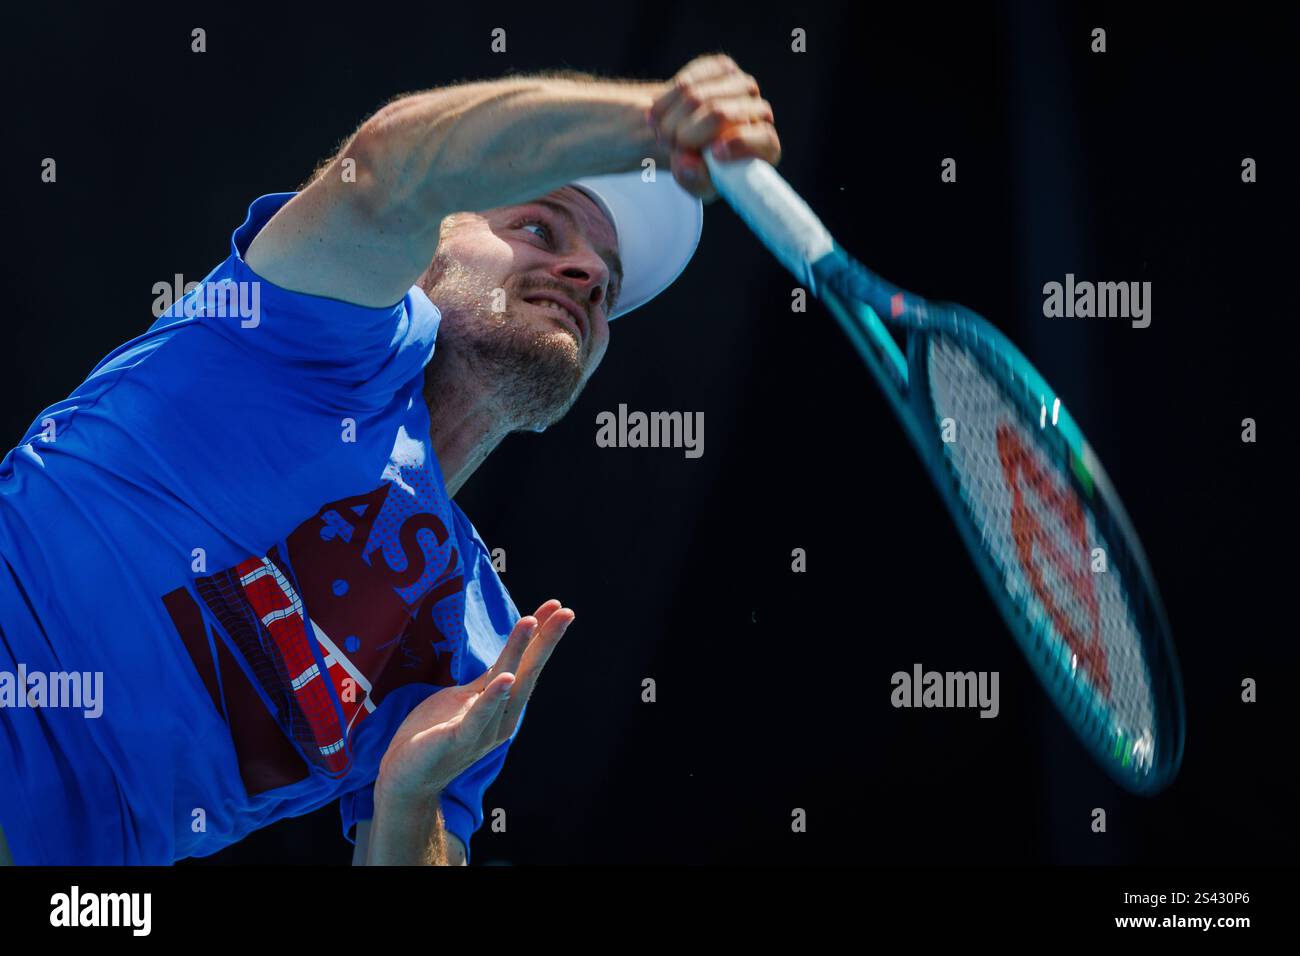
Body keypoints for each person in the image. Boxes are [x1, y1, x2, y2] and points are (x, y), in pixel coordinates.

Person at [0, 53, 780, 865]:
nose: (586, 275)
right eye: (540, 229)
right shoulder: (311, 342)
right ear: (428, 246)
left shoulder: (482, 643)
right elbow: (386, 170)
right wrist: (654, 124)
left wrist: (408, 800)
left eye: (607, 288)